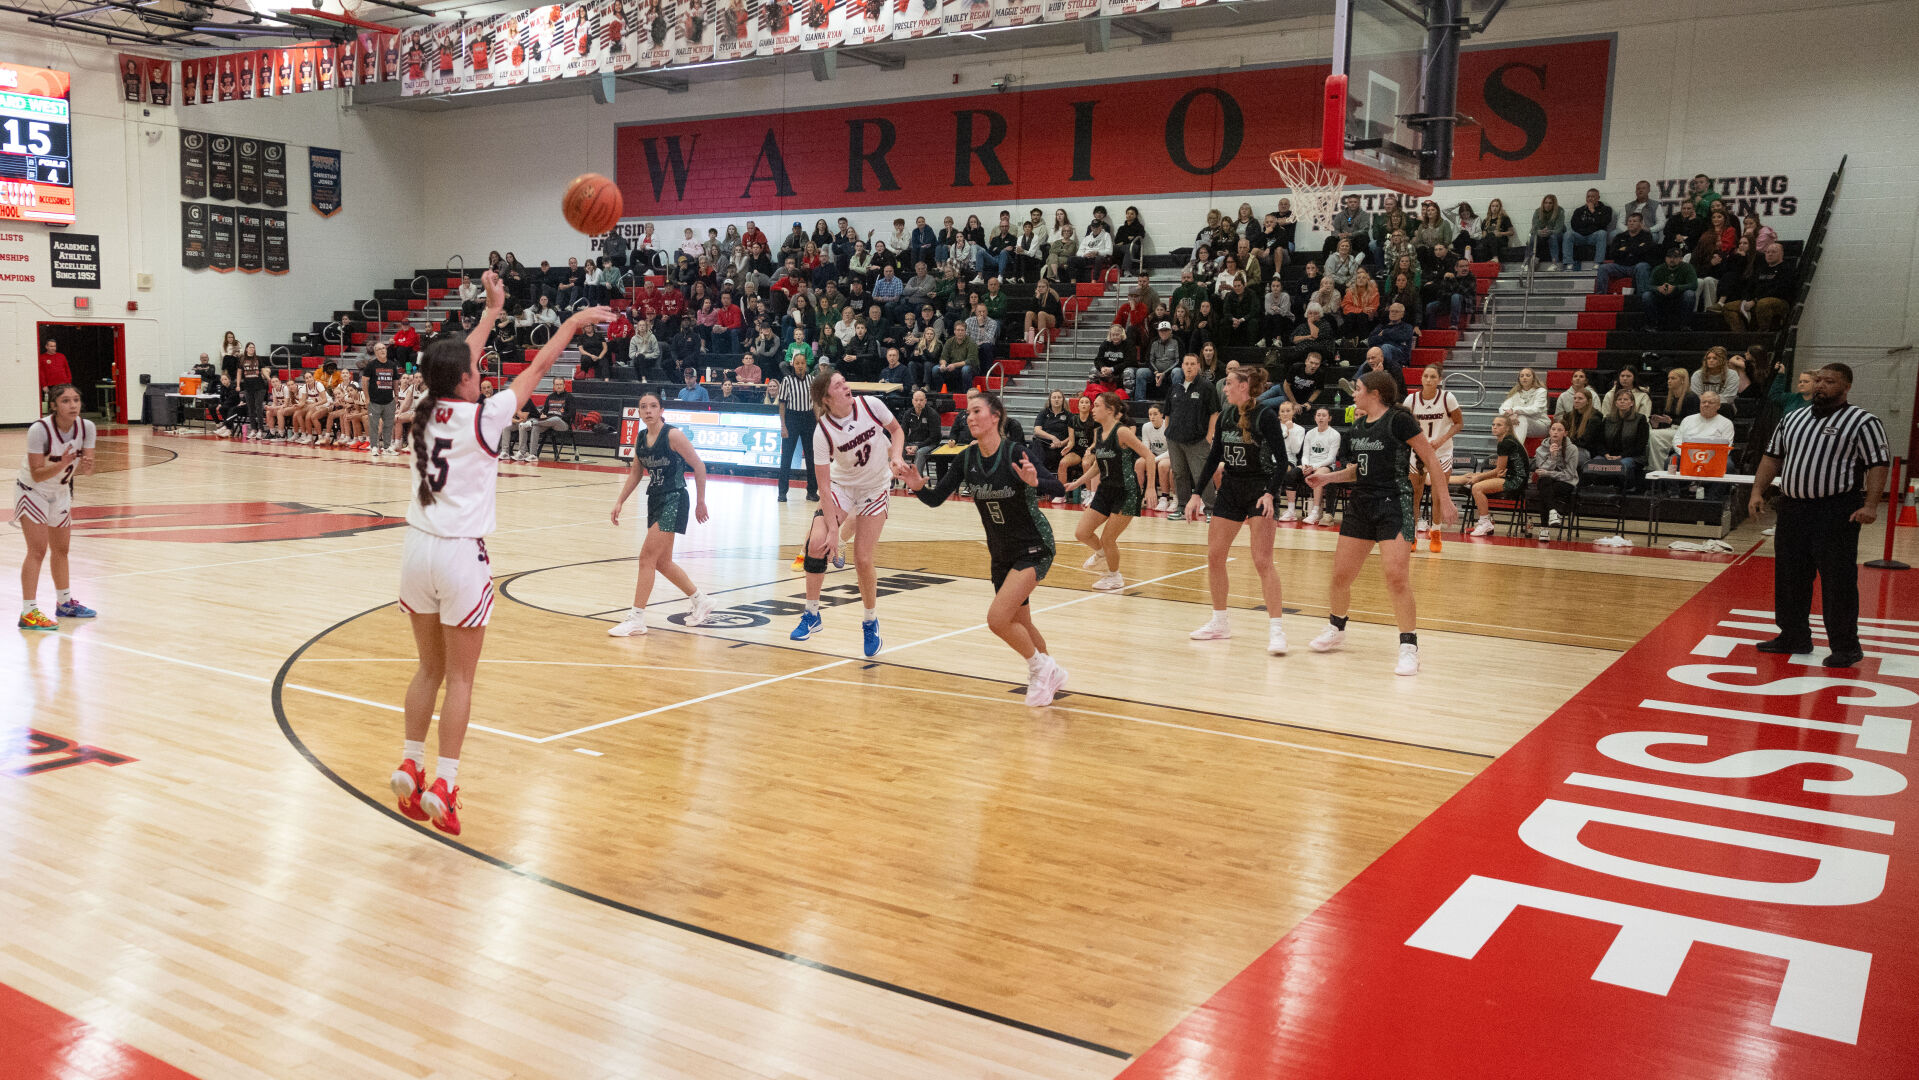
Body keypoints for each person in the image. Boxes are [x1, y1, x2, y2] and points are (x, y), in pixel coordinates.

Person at [388, 272, 607, 836]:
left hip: (415, 549)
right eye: (474, 373)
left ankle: (410, 762)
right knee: (461, 679)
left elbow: (461, 359)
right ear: (461, 382)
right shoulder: (483, 416)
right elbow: (536, 369)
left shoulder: (421, 409)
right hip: (460, 554)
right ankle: (446, 782)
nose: (480, 374)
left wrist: (491, 311)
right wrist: (574, 323)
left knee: (427, 668)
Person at [899, 392, 1068, 707]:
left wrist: (1035, 482)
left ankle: (1041, 668)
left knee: (997, 619)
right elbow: (936, 499)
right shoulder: (966, 458)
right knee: (1023, 624)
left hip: (1033, 545)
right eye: (967, 412)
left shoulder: (1016, 452)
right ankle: (1049, 674)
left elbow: (1058, 487)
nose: (970, 417)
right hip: (1001, 553)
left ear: (996, 416)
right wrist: (918, 486)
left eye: (977, 411)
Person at [1306, 370, 1457, 675]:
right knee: (1340, 576)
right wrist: (1328, 477)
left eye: (1358, 388)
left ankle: (1409, 646)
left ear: (1375, 393)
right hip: (1361, 505)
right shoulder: (1358, 426)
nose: (1354, 393)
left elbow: (1430, 458)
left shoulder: (1399, 421)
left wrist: (1447, 498)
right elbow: (1356, 471)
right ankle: (1336, 628)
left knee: (1396, 578)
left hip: (1393, 504)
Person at [1748, 364, 1889, 669]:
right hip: (1793, 508)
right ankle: (1793, 635)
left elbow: (1878, 464)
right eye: (1818, 380)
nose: (1821, 385)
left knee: (1837, 580)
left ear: (1846, 386)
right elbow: (1772, 457)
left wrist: (1871, 505)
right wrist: (1757, 491)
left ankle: (1846, 646)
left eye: (1830, 381)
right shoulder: (1792, 418)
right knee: (1790, 576)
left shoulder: (1863, 421)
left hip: (1836, 510)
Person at [790, 369, 906, 658]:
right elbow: (824, 486)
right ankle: (812, 614)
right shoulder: (823, 431)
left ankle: (870, 621)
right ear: (827, 399)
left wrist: (896, 456)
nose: (846, 387)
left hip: (875, 486)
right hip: (842, 487)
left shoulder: (870, 405)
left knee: (863, 559)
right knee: (815, 544)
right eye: (839, 386)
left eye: (845, 383)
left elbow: (897, 431)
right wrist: (832, 530)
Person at [1189, 367, 1289, 653]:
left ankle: (1277, 630)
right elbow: (1213, 458)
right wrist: (1196, 494)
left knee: (1262, 561)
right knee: (1214, 555)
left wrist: (1271, 492)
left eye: (1230, 383)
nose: (1225, 388)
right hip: (1231, 489)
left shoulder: (1265, 416)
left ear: (1244, 386)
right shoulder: (1226, 416)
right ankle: (1220, 622)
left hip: (1260, 491)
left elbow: (1282, 462)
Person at [606, 391, 716, 637]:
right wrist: (620, 501)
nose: (648, 411)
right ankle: (701, 601)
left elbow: (699, 465)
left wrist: (701, 501)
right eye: (643, 406)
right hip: (655, 499)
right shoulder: (642, 438)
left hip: (675, 498)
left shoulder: (673, 435)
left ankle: (636, 618)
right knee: (662, 562)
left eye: (653, 406)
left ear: (661, 410)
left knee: (646, 558)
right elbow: (636, 473)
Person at [13, 385, 98, 630]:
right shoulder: (39, 430)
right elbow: (38, 474)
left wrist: (87, 465)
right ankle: (28, 612)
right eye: (65, 401)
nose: (72, 405)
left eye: (76, 400)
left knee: (62, 549)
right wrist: (63, 462)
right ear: (53, 405)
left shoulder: (87, 427)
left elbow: (88, 470)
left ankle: (64, 603)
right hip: (32, 491)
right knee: (37, 550)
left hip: (60, 492)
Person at [1066, 392, 1152, 592]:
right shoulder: (1098, 433)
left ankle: (1115, 576)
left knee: (1108, 538)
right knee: (1082, 532)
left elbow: (1147, 455)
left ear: (1110, 410)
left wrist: (1149, 488)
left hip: (1126, 492)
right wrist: (1077, 482)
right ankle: (1101, 553)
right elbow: (1098, 465)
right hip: (1105, 490)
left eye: (1096, 406)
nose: (1093, 409)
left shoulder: (1122, 432)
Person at [1404, 365, 1462, 539]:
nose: (1428, 380)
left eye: (1433, 377)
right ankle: (1412, 534)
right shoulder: (1411, 400)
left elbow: (1459, 424)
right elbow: (1404, 426)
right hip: (1417, 452)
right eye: (1426, 376)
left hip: (1441, 451)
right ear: (1421, 378)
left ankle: (1436, 531)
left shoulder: (1447, 398)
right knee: (1414, 494)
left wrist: (1441, 440)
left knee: (1438, 496)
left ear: (1440, 380)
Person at [1453, 415, 1531, 536]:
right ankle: (1485, 522)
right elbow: (1500, 470)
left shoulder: (1506, 442)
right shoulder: (1507, 440)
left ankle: (1485, 523)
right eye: (1493, 424)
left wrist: (1479, 477)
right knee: (1475, 478)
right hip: (1510, 476)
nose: (1494, 427)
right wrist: (1482, 475)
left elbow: (1499, 469)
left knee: (1477, 487)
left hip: (1516, 480)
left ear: (1507, 428)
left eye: (1499, 425)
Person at [1163, 354, 1218, 521]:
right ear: (1182, 366)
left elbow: (1214, 413)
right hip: (1174, 439)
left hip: (1197, 440)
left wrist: (1209, 436)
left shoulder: (1207, 387)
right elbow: (1167, 413)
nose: (1189, 367)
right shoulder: (1174, 387)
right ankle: (1181, 507)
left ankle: (1210, 509)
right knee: (1179, 474)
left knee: (1201, 474)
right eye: (1186, 364)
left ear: (1198, 366)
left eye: (1192, 364)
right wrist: (1168, 433)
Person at [1529, 419, 1587, 541]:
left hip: (1566, 481)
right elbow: (1541, 471)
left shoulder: (1572, 449)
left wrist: (1549, 473)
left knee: (1545, 493)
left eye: (1559, 430)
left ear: (1565, 433)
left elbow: (1569, 474)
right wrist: (1553, 457)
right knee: (1544, 483)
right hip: (1546, 481)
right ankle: (1553, 512)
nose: (1555, 432)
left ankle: (1544, 529)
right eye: (1553, 429)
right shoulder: (1541, 449)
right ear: (1549, 431)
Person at [774, 354, 817, 503]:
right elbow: (782, 405)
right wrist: (783, 425)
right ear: (793, 365)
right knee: (787, 457)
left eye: (802, 363)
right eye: (797, 363)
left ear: (806, 365)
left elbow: (816, 403)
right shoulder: (787, 381)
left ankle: (812, 491)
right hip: (792, 419)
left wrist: (817, 422)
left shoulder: (812, 380)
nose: (800, 366)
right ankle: (782, 492)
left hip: (809, 418)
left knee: (812, 458)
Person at [508, 383, 573, 463]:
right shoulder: (550, 397)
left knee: (555, 418)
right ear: (554, 386)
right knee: (526, 427)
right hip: (547, 422)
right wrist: (543, 414)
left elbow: (572, 413)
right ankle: (530, 454)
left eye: (560, 384)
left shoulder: (569, 397)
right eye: (556, 384)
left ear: (564, 385)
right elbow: (545, 410)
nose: (558, 386)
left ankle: (532, 422)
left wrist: (561, 416)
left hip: (562, 423)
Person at [1139, 402, 1173, 513]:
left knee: (1162, 465)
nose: (1152, 417)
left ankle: (1164, 498)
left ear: (1162, 415)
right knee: (1139, 463)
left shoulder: (1167, 425)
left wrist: (1153, 460)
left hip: (1168, 456)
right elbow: (1145, 447)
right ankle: (1137, 495)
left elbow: (1171, 450)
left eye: (1155, 414)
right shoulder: (1146, 427)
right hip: (1153, 455)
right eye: (1150, 414)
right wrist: (1149, 458)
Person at [1499, 367, 1549, 440]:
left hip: (1540, 425)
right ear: (1519, 379)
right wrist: (1510, 416)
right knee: (1506, 421)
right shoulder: (1515, 393)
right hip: (1518, 422)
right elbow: (1502, 408)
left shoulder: (1541, 391)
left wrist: (1515, 410)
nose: (1524, 378)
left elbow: (1535, 409)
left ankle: (1515, 448)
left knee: (1520, 419)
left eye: (1528, 375)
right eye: (1521, 376)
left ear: (1533, 378)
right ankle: (1512, 448)